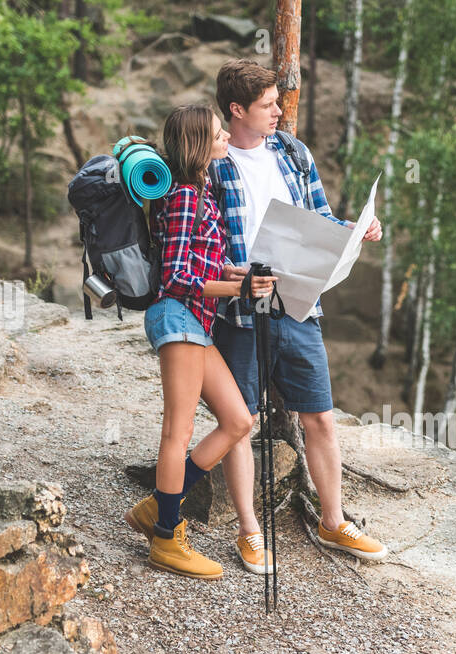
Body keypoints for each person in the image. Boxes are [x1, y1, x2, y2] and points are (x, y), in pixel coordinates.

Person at [209, 58, 388, 576]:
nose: (277, 112)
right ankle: (250, 532)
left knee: (320, 416)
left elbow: (319, 218)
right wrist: (232, 274)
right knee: (239, 423)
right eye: (267, 105)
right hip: (239, 310)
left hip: (298, 304)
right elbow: (201, 242)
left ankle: (333, 521)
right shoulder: (212, 162)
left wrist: (352, 228)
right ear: (236, 109)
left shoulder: (292, 151)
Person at [124, 104, 277, 579]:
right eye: (217, 135)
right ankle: (167, 538)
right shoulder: (184, 195)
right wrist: (237, 290)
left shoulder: (201, 191)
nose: (225, 138)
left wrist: (236, 273)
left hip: (195, 322)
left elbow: (198, 261)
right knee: (178, 431)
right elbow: (175, 276)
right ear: (198, 144)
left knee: (238, 420)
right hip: (177, 317)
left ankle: (158, 507)